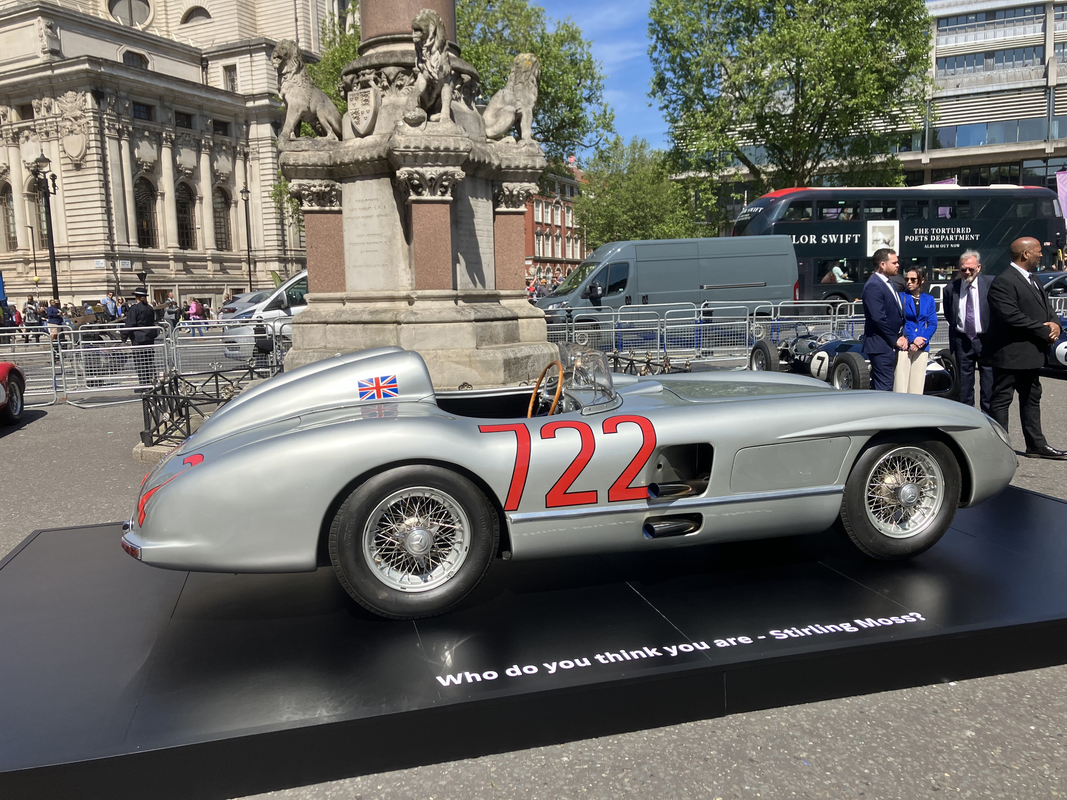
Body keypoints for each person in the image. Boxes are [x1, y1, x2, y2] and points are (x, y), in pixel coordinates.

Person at [983, 237, 1065, 459]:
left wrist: (1055, 324)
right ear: (1025, 254)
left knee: (1031, 397)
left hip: (1032, 353)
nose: (1041, 255)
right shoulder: (1004, 282)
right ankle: (1000, 448)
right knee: (1002, 399)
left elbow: (1047, 308)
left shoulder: (1034, 279)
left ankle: (1036, 445)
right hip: (1010, 354)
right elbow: (1011, 317)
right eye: (1038, 251)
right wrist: (1043, 330)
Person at [942, 250, 994, 414]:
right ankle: (967, 416)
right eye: (963, 269)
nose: (967, 272)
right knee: (964, 384)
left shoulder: (991, 284)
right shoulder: (951, 289)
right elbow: (949, 314)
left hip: (986, 340)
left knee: (989, 382)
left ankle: (988, 418)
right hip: (962, 340)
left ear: (978, 267)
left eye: (970, 269)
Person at [861, 248, 907, 391]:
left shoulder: (889, 283)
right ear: (882, 264)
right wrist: (895, 339)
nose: (897, 265)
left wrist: (902, 335)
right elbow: (878, 318)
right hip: (880, 346)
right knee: (884, 388)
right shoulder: (874, 285)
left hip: (890, 344)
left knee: (884, 385)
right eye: (894, 262)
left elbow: (897, 314)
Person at [894, 268, 937, 394]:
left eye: (913, 279)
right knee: (900, 385)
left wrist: (921, 341)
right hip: (905, 345)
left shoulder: (929, 299)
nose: (909, 282)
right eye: (907, 279)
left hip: (922, 346)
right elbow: (902, 320)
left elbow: (932, 323)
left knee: (917, 386)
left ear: (921, 281)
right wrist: (913, 339)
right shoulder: (901, 297)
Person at [122, 287, 159, 391]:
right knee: (148, 361)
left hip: (138, 338)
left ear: (136, 297)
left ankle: (144, 385)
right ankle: (150, 383)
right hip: (149, 337)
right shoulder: (149, 308)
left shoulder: (135, 308)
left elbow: (130, 324)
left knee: (140, 362)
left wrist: (123, 336)